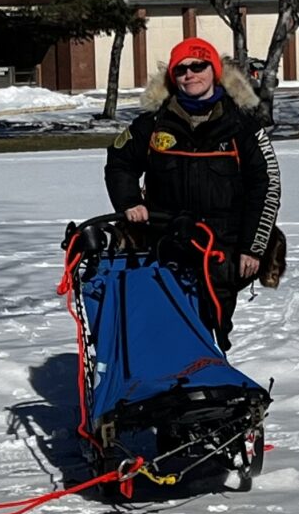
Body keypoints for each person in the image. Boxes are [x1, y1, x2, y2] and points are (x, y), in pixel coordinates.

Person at [104, 36, 281, 351]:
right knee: (164, 327)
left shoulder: (242, 126)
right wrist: (129, 201)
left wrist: (252, 248)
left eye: (199, 66)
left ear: (214, 71)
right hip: (165, 244)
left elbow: (266, 186)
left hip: (222, 249)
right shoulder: (153, 123)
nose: (190, 74)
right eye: (181, 69)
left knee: (212, 329)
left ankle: (209, 371)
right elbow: (120, 162)